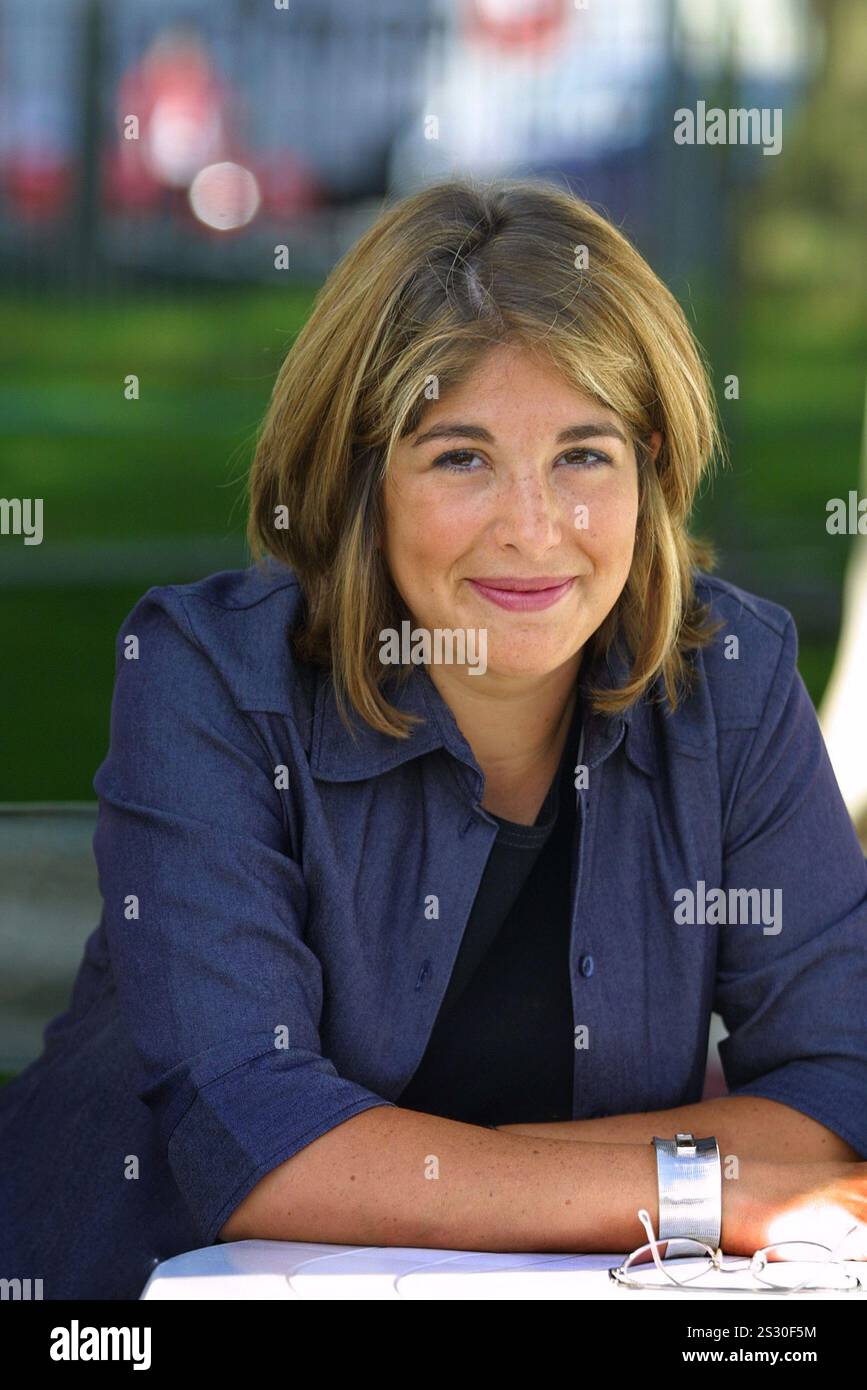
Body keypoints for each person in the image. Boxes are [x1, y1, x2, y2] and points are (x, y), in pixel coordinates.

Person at [2, 177, 866, 1300]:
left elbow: (838, 1087)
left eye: (585, 454)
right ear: (361, 474)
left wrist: (426, 1169)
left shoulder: (733, 682)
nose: (532, 526)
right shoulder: (206, 677)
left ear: (651, 463)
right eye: (461, 456)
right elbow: (254, 1137)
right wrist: (704, 1187)